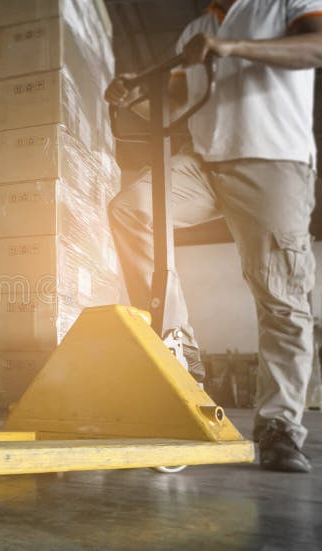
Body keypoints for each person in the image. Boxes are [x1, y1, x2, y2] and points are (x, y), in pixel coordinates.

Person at [105, 0, 322, 473]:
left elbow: (317, 46)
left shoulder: (285, 4)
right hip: (204, 163)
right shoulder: (197, 30)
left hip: (271, 160)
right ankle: (177, 346)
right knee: (131, 209)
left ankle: (279, 427)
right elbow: (176, 102)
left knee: (280, 297)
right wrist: (133, 96)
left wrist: (230, 46)